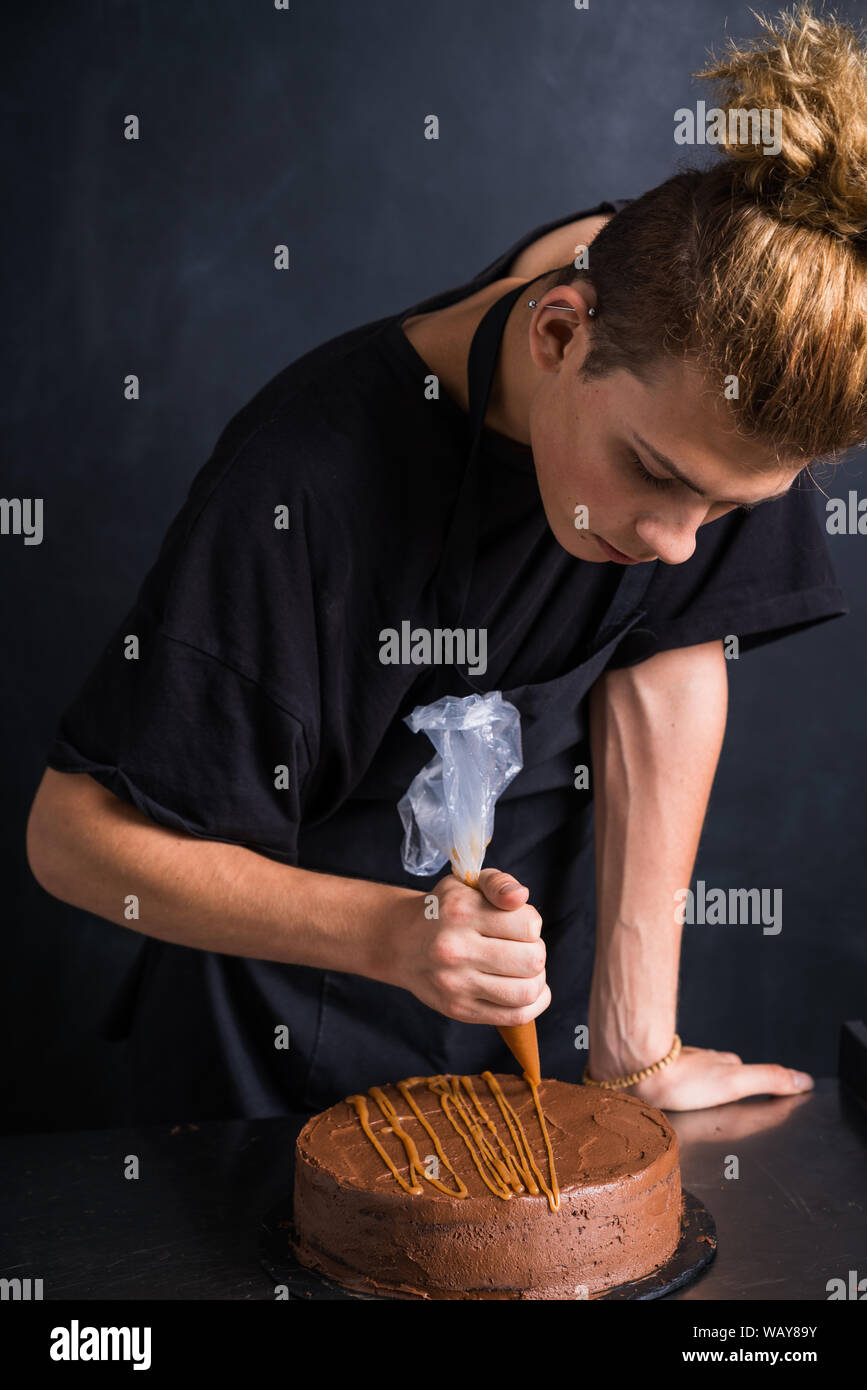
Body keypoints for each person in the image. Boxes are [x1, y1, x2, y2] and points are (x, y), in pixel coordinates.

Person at [26, 4, 867, 1121]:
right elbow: (71, 841)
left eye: (727, 509)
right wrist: (394, 928)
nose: (675, 540)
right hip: (258, 1087)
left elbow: (668, 651)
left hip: (520, 1065)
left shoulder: (717, 347)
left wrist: (636, 1046)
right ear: (558, 333)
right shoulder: (300, 486)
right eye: (655, 477)